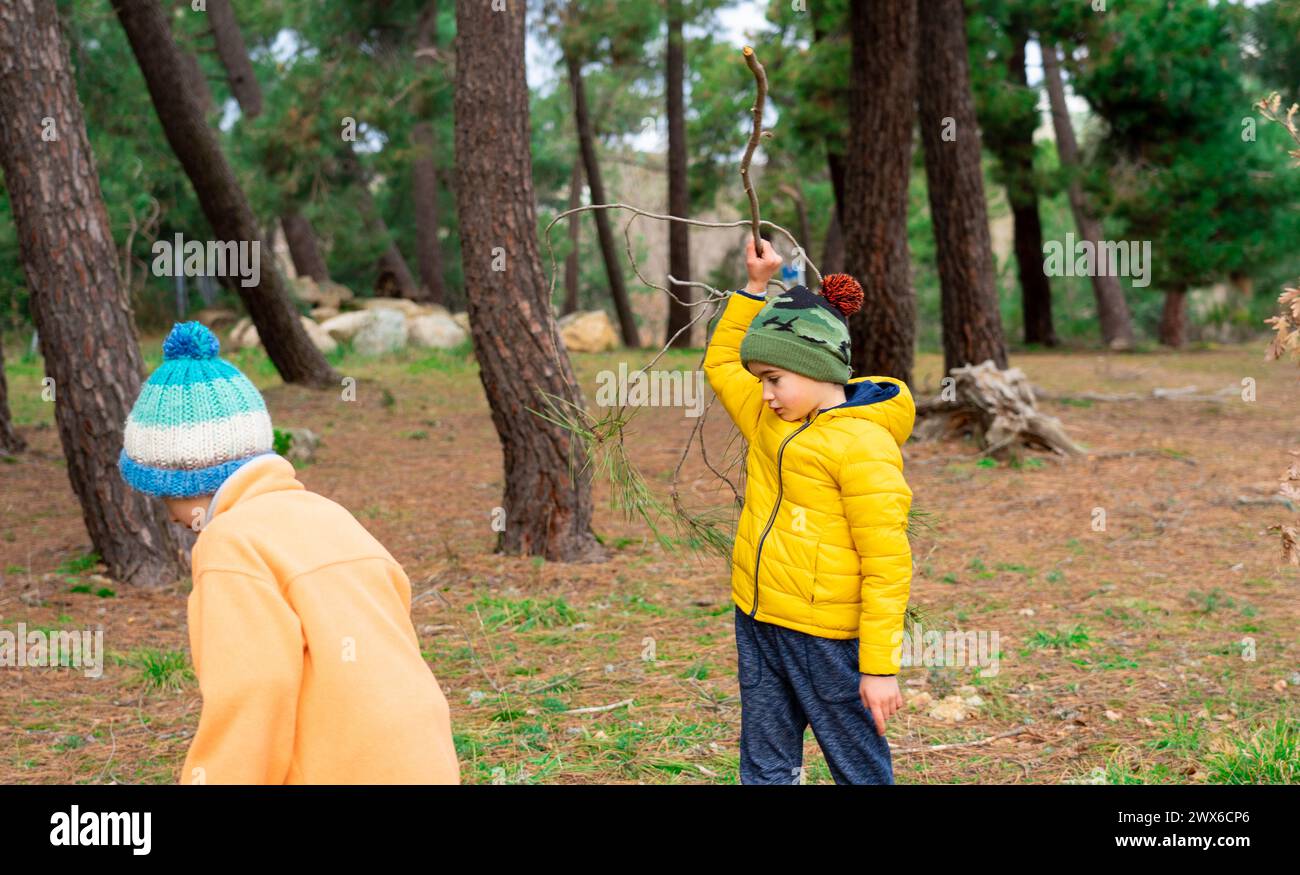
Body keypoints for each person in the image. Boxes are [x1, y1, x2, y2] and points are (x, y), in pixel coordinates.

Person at [118, 321, 459, 784]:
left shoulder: (230, 543)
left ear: (187, 480)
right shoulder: (330, 516)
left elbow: (253, 690)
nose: (170, 517)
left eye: (163, 496)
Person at [703, 236, 916, 784]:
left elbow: (887, 564)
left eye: (775, 379)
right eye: (762, 381)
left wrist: (878, 666)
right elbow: (722, 361)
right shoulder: (767, 418)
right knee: (767, 764)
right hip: (757, 617)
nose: (766, 393)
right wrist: (754, 286)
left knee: (858, 767)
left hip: (825, 636)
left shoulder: (864, 446)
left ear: (821, 367)